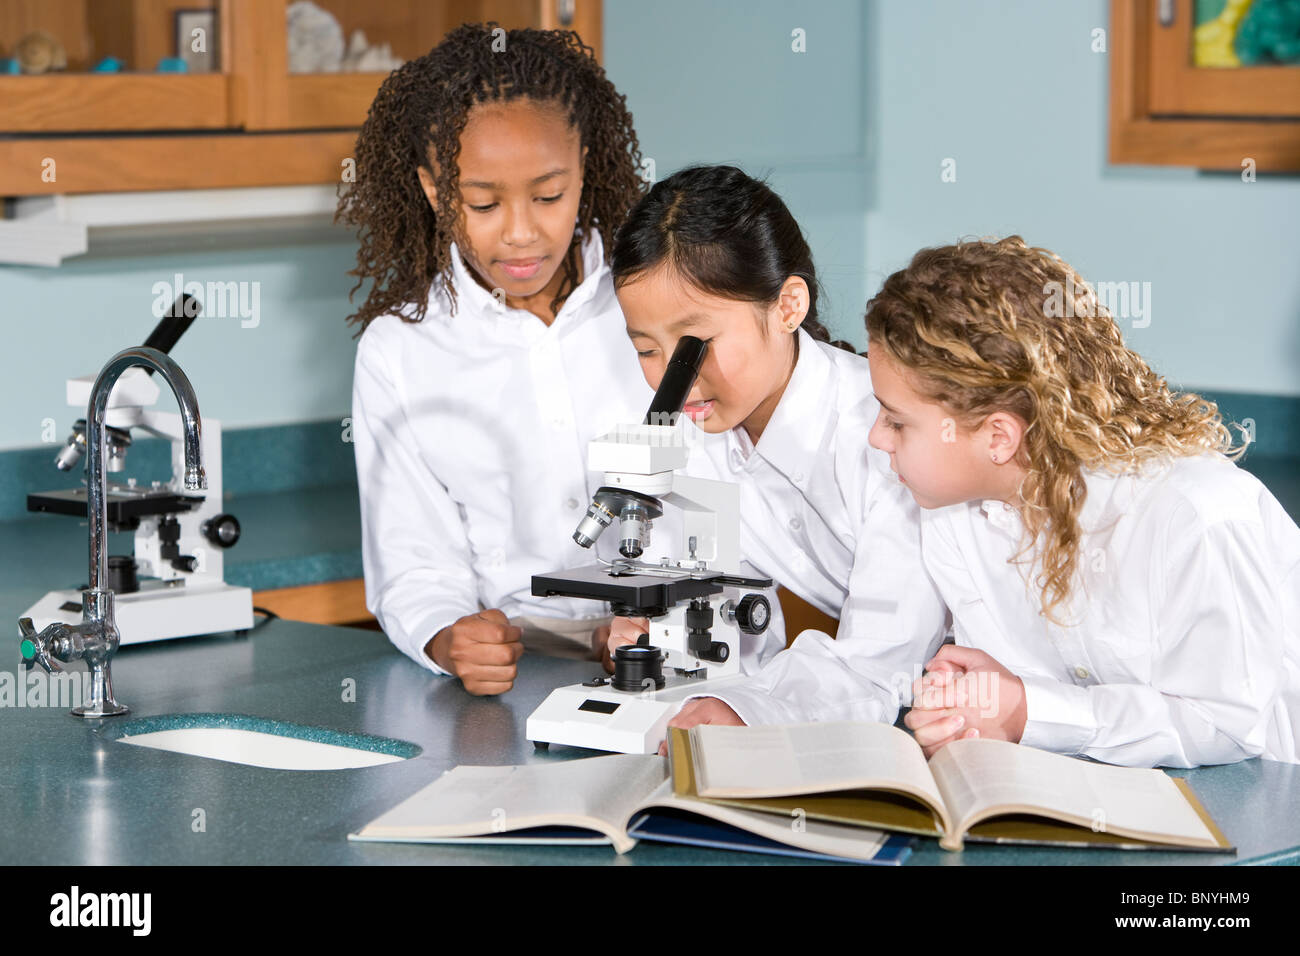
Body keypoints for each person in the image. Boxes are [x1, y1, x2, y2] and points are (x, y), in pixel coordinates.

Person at [867, 236, 1300, 767]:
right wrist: (969, 708)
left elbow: (1226, 727)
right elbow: (1026, 697)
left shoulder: (1194, 514)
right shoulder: (952, 517)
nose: (876, 438)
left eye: (896, 420)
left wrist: (1027, 711)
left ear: (999, 437)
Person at [339, 24, 652, 695]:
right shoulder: (402, 352)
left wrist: (651, 623)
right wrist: (449, 637)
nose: (519, 232)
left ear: (585, 169)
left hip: (675, 660)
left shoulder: (659, 300)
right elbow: (414, 563)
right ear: (433, 190)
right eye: (482, 202)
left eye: (548, 196)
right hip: (519, 672)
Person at [605, 165, 948, 721]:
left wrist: (746, 711)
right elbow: (736, 625)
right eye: (646, 350)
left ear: (788, 306)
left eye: (696, 345)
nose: (673, 379)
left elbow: (880, 660)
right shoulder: (696, 433)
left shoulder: (888, 431)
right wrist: (652, 631)